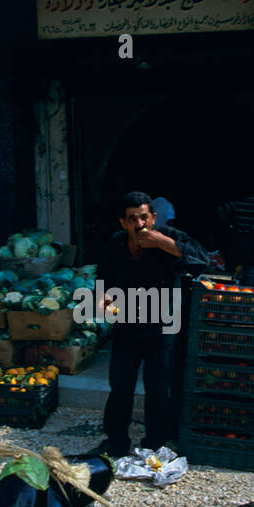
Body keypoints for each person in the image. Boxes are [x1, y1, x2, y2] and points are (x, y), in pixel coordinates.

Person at [98, 192, 208, 456]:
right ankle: (116, 441)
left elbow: (201, 260)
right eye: (132, 219)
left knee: (158, 387)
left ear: (153, 218)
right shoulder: (116, 243)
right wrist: (104, 296)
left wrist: (163, 242)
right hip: (127, 323)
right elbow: (105, 276)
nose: (139, 224)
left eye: (144, 217)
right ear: (123, 223)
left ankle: (155, 443)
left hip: (161, 326)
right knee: (120, 385)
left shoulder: (167, 236)